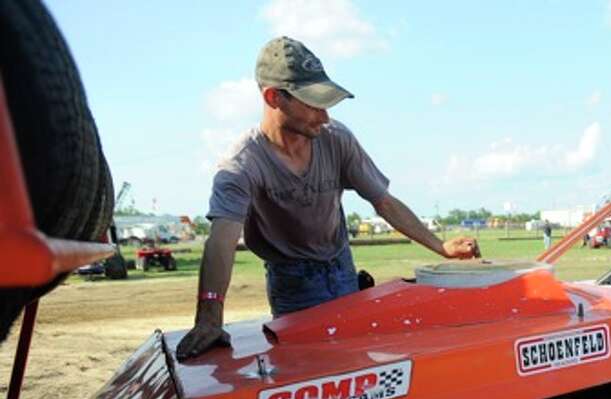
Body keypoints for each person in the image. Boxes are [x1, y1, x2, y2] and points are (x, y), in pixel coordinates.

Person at [176, 36, 479, 360]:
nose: (324, 117)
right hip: (292, 283)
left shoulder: (336, 139)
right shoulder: (242, 165)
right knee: (309, 367)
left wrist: (440, 246)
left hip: (342, 270)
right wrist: (209, 317)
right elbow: (222, 240)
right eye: (313, 104)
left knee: (354, 365)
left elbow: (384, 202)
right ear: (273, 97)